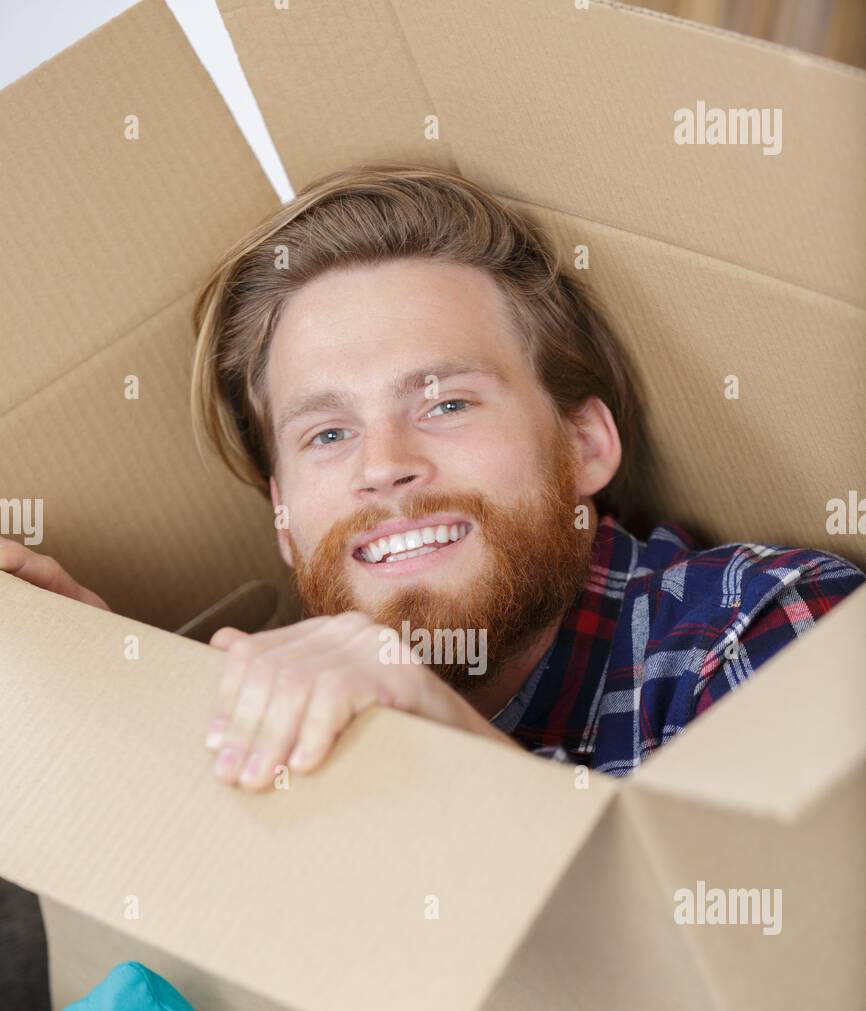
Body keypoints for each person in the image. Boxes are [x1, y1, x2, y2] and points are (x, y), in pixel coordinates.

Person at [2, 164, 862, 789]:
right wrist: (121, 706)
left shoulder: (776, 626)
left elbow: (765, 993)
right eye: (329, 432)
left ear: (587, 444)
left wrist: (438, 732)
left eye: (447, 403)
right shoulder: (260, 698)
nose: (384, 467)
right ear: (282, 515)